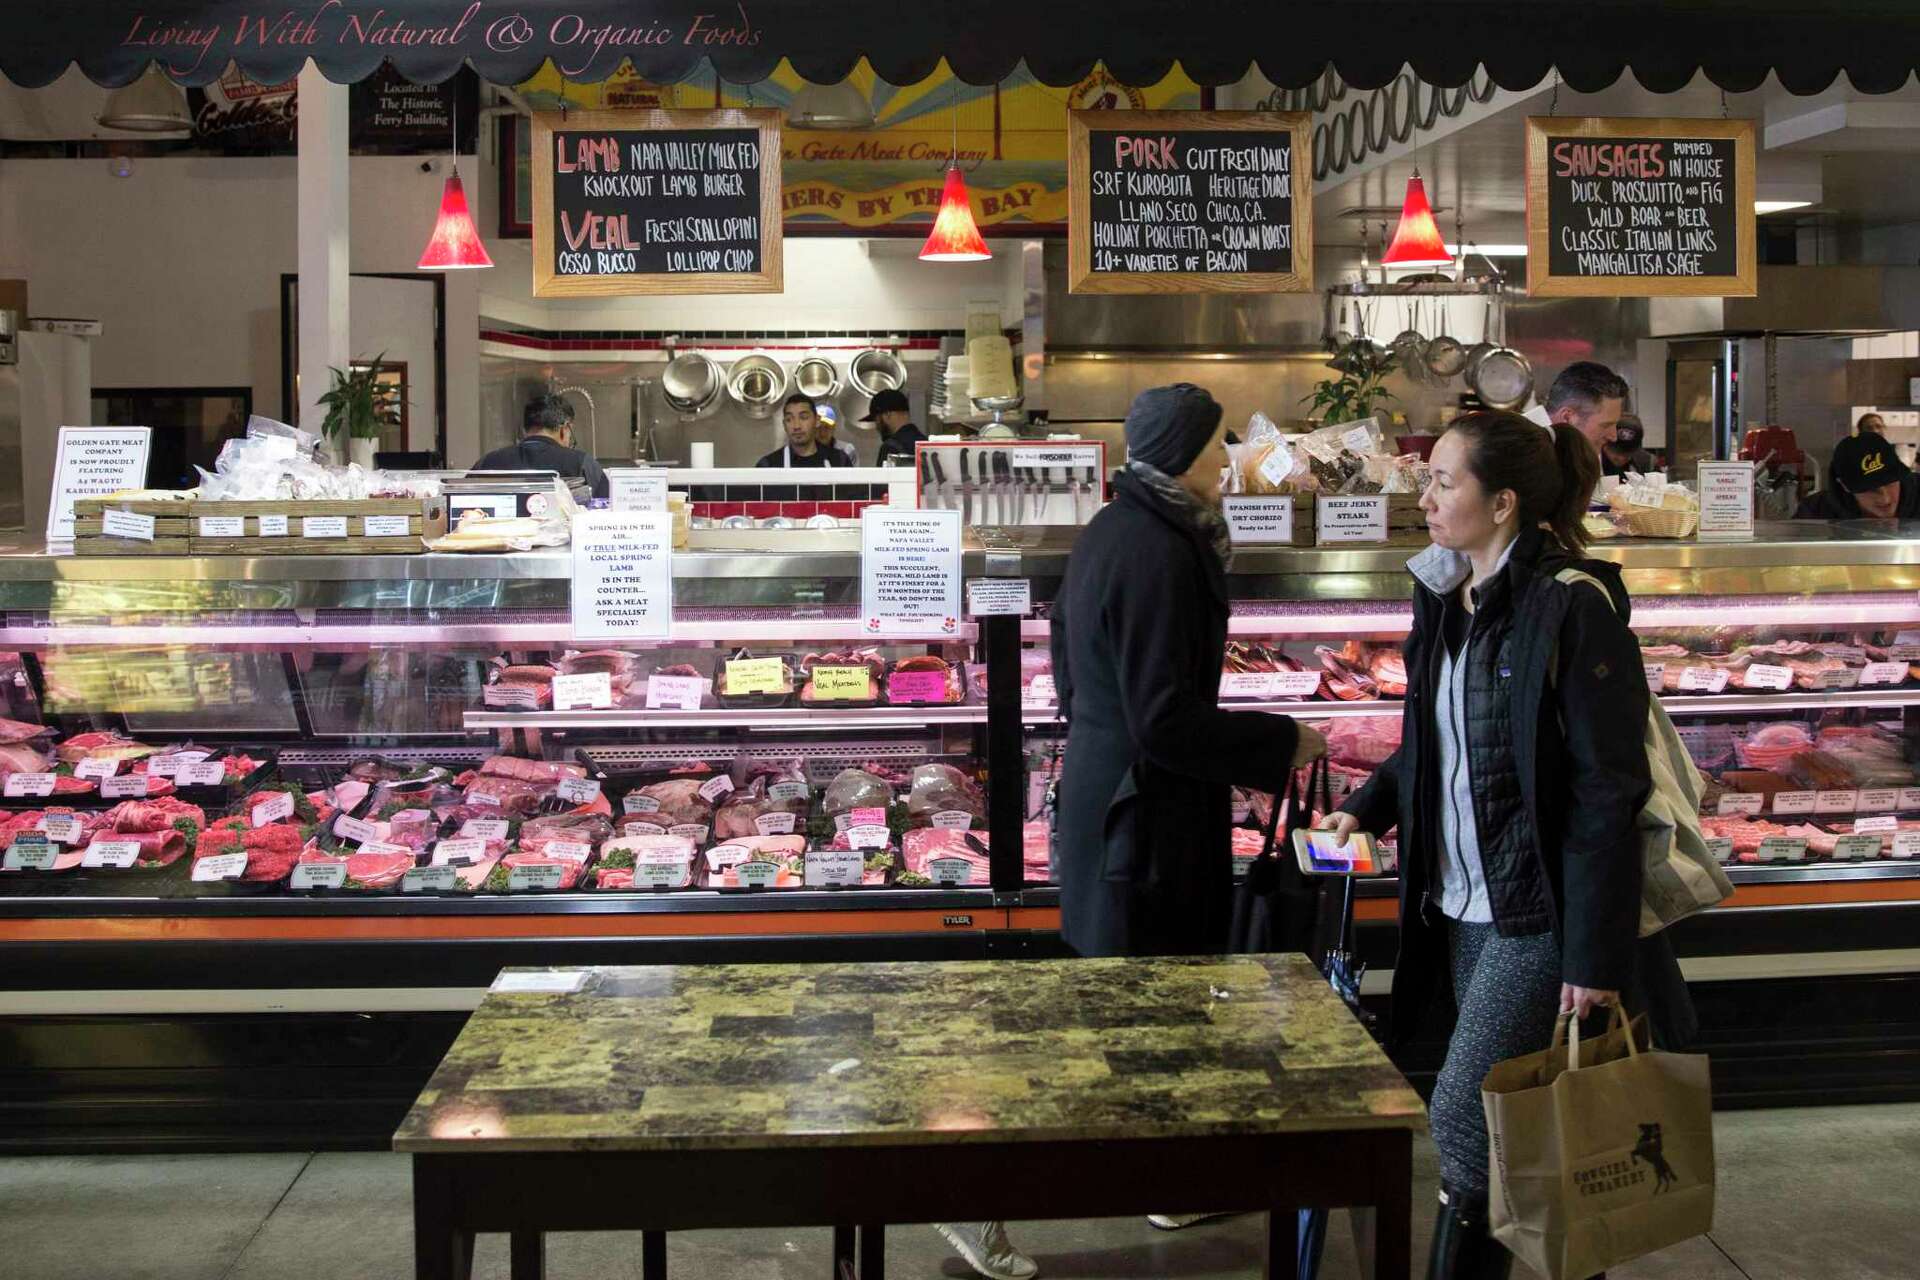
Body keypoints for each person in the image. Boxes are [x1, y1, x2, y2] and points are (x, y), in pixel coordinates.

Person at [1316, 410, 1651, 1280]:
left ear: (1501, 503)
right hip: (1459, 900)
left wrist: (1595, 950)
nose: (1424, 496)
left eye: (1442, 481)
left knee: (1464, 1119)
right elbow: (1438, 740)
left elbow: (1607, 789)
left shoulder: (1571, 605)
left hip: (1536, 909)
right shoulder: (1447, 594)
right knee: (1516, 1125)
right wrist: (1369, 805)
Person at [472, 392, 609, 501]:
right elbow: (606, 508)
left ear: (524, 429)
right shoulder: (582, 463)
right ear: (564, 429)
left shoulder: (487, 462)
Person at [1797, 433, 1920, 520]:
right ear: (1844, 485)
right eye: (1870, 489)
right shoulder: (1816, 512)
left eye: (1890, 482)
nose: (1885, 498)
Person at [1543, 361, 1629, 455]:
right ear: (1567, 418)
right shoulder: (1526, 454)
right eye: (1605, 425)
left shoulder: (1576, 451)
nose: (1614, 437)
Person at [756, 394, 850, 469]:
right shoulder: (768, 465)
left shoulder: (839, 461)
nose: (796, 426)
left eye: (803, 418)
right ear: (784, 425)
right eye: (789, 419)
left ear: (817, 421)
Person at [863, 388, 926, 464]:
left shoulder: (891, 447)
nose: (877, 427)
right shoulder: (925, 443)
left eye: (876, 420)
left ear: (887, 414)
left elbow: (884, 476)